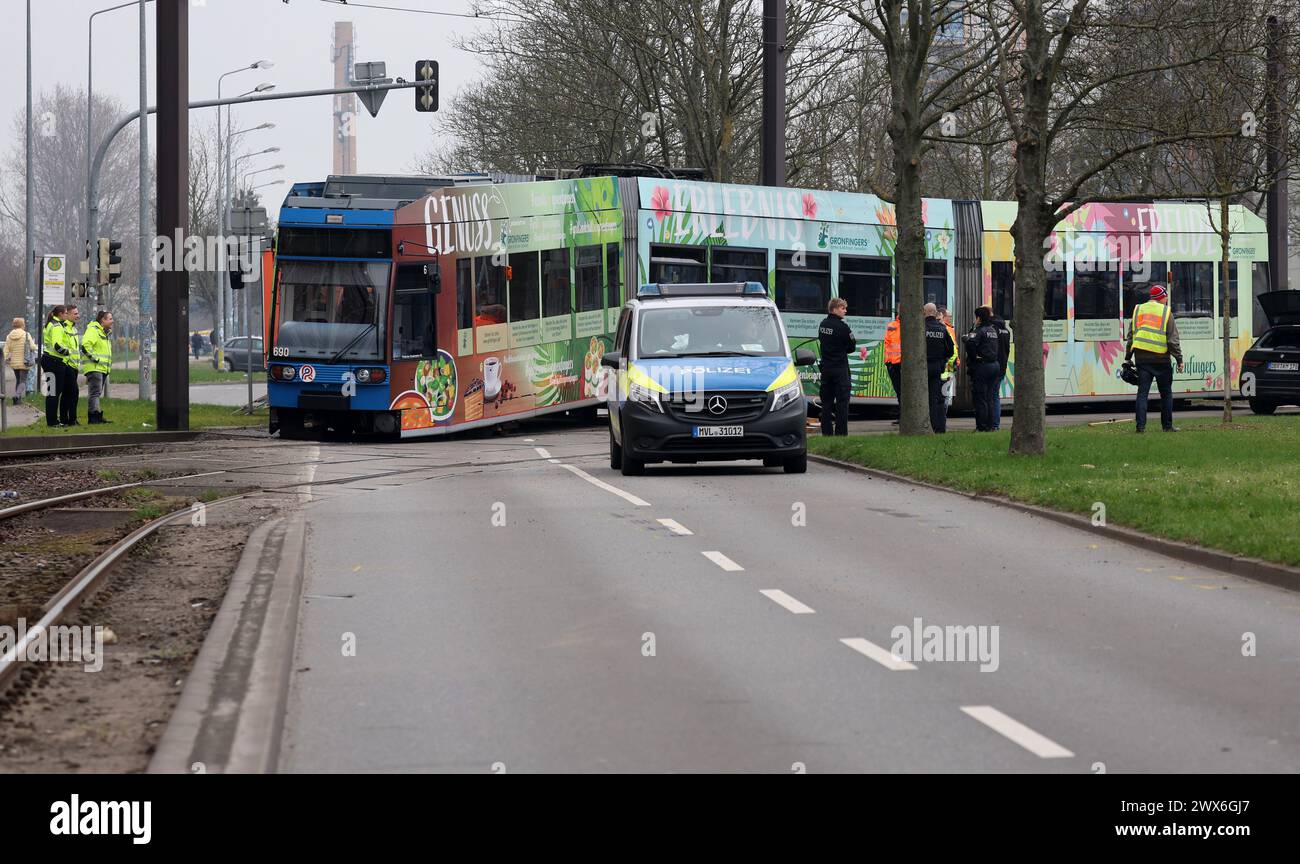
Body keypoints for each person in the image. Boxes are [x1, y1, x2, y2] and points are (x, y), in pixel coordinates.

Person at [1125, 283, 1183, 433]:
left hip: (1142, 359)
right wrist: (1179, 359)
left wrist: (1127, 358)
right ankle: (1167, 426)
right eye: (1166, 298)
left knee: (1142, 394)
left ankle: (1140, 427)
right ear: (1162, 298)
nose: (1166, 301)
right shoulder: (1166, 312)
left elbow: (1131, 337)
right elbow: (1172, 340)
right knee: (1166, 393)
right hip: (1162, 360)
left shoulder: (1138, 310)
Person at [818, 297, 855, 436]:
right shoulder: (843, 327)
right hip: (840, 370)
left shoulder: (823, 324)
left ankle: (826, 434)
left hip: (826, 369)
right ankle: (841, 434)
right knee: (842, 403)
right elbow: (852, 347)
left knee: (826, 403)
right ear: (834, 309)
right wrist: (842, 349)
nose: (845, 311)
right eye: (842, 308)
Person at [965, 306, 1003, 432]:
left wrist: (974, 358)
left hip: (983, 366)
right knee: (991, 397)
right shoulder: (993, 330)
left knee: (980, 397)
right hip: (995, 366)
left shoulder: (979, 331)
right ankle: (992, 425)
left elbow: (970, 343)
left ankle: (982, 426)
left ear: (979, 318)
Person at [923, 302, 955, 433]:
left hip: (923, 367)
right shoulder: (942, 329)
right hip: (938, 367)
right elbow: (951, 350)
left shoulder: (921, 328)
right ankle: (939, 427)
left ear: (924, 313)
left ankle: (927, 425)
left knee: (924, 398)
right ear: (936, 313)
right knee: (937, 398)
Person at [82, 310, 113, 424]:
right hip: (95, 367)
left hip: (102, 368)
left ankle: (97, 415)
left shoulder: (105, 332)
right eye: (110, 319)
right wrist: (96, 359)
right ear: (102, 320)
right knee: (95, 392)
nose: (112, 321)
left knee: (97, 393)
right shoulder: (93, 330)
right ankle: (93, 417)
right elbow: (85, 346)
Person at [40, 305, 69, 427]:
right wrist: (68, 352)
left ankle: (51, 420)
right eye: (66, 313)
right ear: (61, 314)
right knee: (55, 393)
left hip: (48, 360)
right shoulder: (57, 327)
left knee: (52, 392)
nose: (67, 315)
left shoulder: (49, 324)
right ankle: (52, 422)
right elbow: (57, 345)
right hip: (55, 362)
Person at [4, 317, 38, 405]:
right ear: (22, 325)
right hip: (24, 362)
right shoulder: (26, 335)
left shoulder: (9, 336)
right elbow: (32, 347)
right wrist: (35, 346)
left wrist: (6, 358)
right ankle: (17, 395)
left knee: (18, 380)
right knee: (23, 381)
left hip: (14, 363)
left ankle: (17, 400)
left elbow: (6, 350)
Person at [59, 304, 82, 426]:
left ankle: (65, 419)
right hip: (67, 364)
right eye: (75, 314)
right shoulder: (64, 328)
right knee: (74, 392)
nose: (77, 316)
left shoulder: (73, 329)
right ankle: (71, 419)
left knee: (67, 393)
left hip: (74, 366)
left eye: (77, 313)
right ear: (67, 314)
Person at [938, 305, 959, 410]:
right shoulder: (947, 329)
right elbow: (952, 350)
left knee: (945, 394)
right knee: (946, 394)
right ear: (943, 316)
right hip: (948, 366)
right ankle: (941, 418)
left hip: (948, 365)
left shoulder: (950, 329)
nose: (950, 318)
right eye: (949, 316)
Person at [882, 308, 902, 408]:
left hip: (905, 364)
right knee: (898, 390)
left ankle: (904, 415)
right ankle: (903, 415)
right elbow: (887, 343)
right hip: (893, 364)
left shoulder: (913, 326)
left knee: (905, 391)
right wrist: (888, 362)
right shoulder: (892, 325)